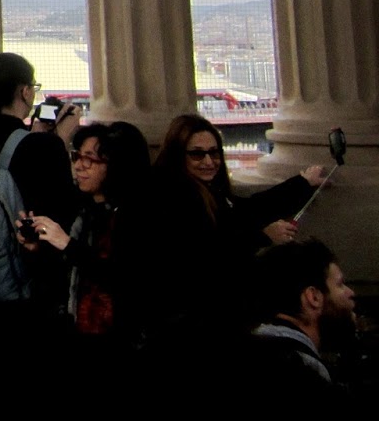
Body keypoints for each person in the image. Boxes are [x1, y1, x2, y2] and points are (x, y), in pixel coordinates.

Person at [136, 113, 326, 337]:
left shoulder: (204, 191)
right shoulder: (173, 199)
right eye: (197, 154)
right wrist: (262, 236)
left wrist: (302, 183)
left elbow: (246, 209)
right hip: (193, 326)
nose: (208, 161)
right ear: (179, 155)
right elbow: (206, 254)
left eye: (214, 153)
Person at [13, 121, 149, 421]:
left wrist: (67, 244)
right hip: (80, 341)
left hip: (123, 347)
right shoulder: (85, 211)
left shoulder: (136, 215)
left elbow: (126, 277)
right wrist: (38, 248)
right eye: (77, 157)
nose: (80, 167)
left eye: (92, 159)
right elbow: (67, 276)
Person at [0, 53, 77, 412]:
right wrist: (60, 140)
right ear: (26, 92)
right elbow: (63, 212)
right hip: (29, 291)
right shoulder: (40, 147)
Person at [235, 240, 359, 418]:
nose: (350, 293)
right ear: (313, 297)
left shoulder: (243, 353)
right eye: (340, 284)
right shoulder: (303, 375)